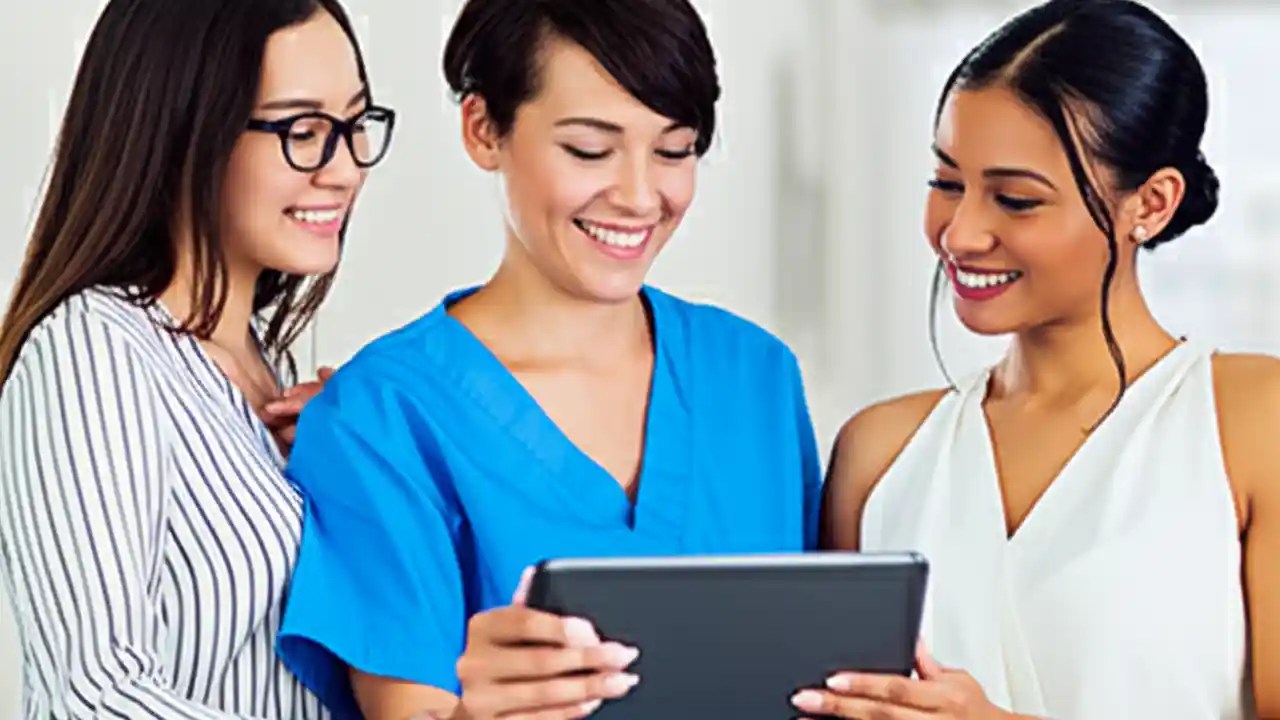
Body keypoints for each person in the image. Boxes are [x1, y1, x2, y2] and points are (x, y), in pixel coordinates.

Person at [274, 1, 822, 718]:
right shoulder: (380, 418)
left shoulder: (755, 378)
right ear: (482, 129)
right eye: (589, 150)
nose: (637, 195)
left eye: (674, 149)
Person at [806, 1, 1276, 718]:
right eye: (946, 184)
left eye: (1016, 200)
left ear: (1150, 203)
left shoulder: (1252, 424)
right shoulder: (878, 456)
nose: (961, 234)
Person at [0, 0, 395, 717]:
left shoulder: (268, 369)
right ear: (185, 132)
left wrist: (362, 471)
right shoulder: (93, 349)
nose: (343, 171)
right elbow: (94, 695)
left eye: (354, 125)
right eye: (304, 132)